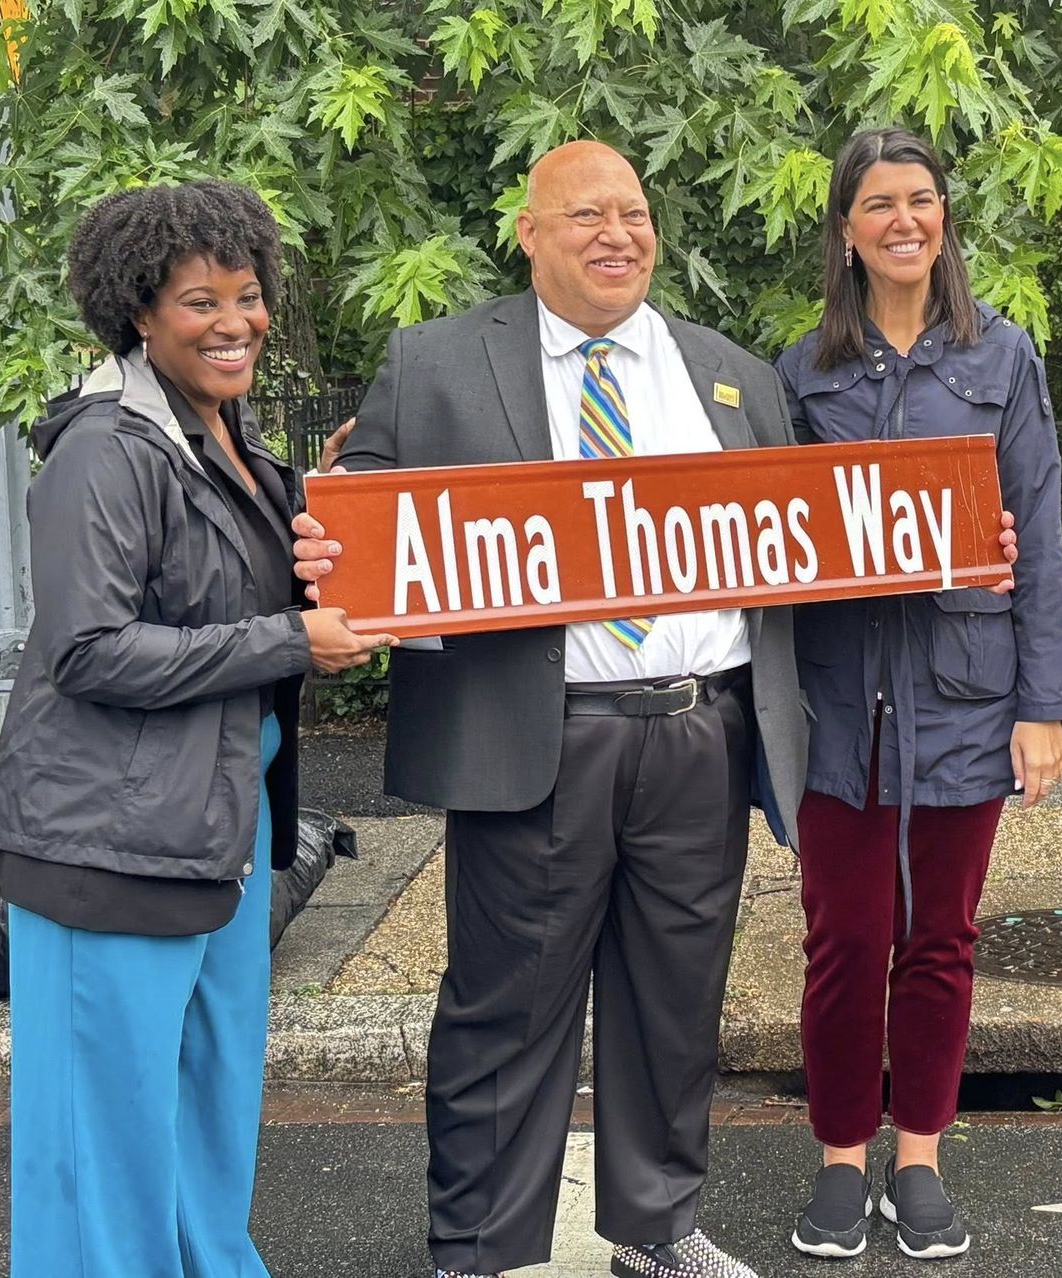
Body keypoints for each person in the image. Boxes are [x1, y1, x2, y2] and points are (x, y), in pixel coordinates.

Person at [292, 140, 808, 1278]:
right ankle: (474, 1250)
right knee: (504, 1011)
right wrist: (330, 545)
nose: (616, 233)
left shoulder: (734, 374)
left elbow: (813, 536)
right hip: (536, 736)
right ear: (527, 232)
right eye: (585, 214)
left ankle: (659, 1229)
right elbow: (357, 530)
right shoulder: (433, 364)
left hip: (698, 732)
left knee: (677, 1002)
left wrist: (959, 538)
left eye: (633, 211)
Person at [0, 181, 393, 1277]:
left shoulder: (227, 437)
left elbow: (235, 585)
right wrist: (293, 643)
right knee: (100, 1147)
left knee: (210, 1111)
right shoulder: (102, 450)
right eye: (199, 300)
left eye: (246, 295)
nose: (234, 321)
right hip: (102, 844)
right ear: (139, 315)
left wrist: (327, 505)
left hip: (218, 825)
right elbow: (89, 651)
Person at [775, 127, 1062, 1263]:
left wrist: (1040, 704)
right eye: (878, 204)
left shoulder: (1001, 360)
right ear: (846, 232)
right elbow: (763, 539)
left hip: (967, 691)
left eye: (922, 200)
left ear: (943, 218)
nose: (905, 220)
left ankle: (922, 1153)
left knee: (940, 939)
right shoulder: (802, 374)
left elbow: (1037, 535)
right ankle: (844, 1152)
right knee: (844, 939)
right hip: (837, 701)